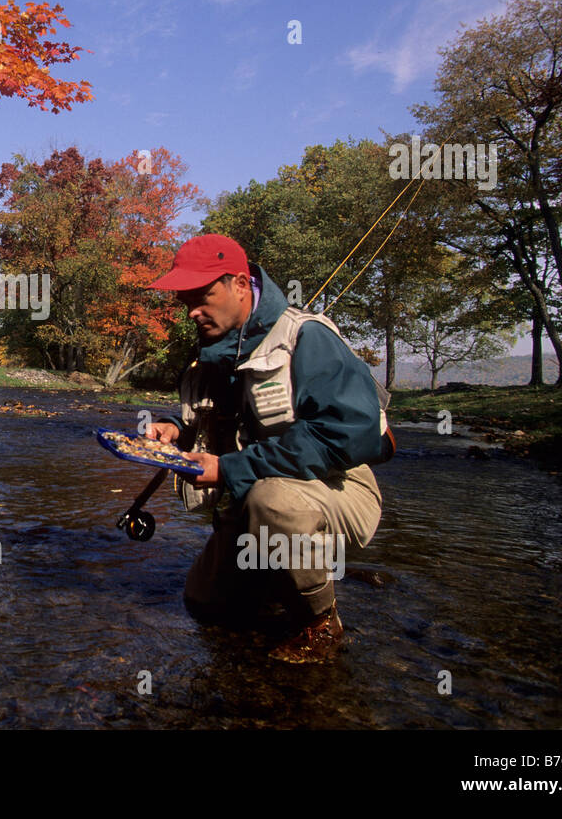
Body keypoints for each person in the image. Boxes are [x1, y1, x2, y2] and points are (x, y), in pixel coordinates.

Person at [144, 234, 392, 663]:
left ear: (240, 284)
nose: (192, 312)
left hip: (336, 487)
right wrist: (172, 429)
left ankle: (320, 622)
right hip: (250, 496)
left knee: (273, 502)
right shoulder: (214, 350)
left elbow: (348, 435)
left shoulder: (307, 338)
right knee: (205, 605)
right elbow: (211, 421)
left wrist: (228, 470)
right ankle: (279, 576)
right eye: (185, 301)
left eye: (202, 296)